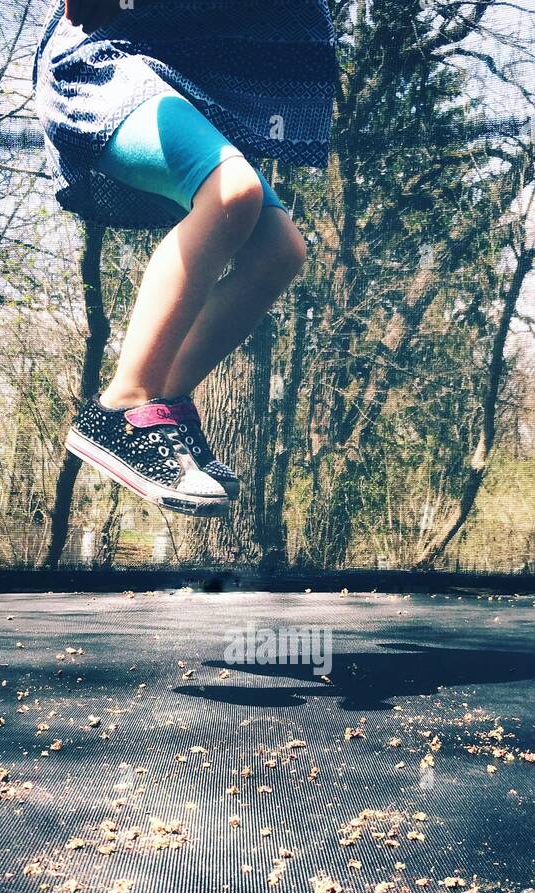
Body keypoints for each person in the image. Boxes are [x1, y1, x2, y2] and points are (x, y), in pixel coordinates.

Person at [33, 0, 338, 515]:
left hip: (180, 85)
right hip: (102, 67)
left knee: (278, 251)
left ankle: (161, 406)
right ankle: (124, 404)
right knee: (231, 193)